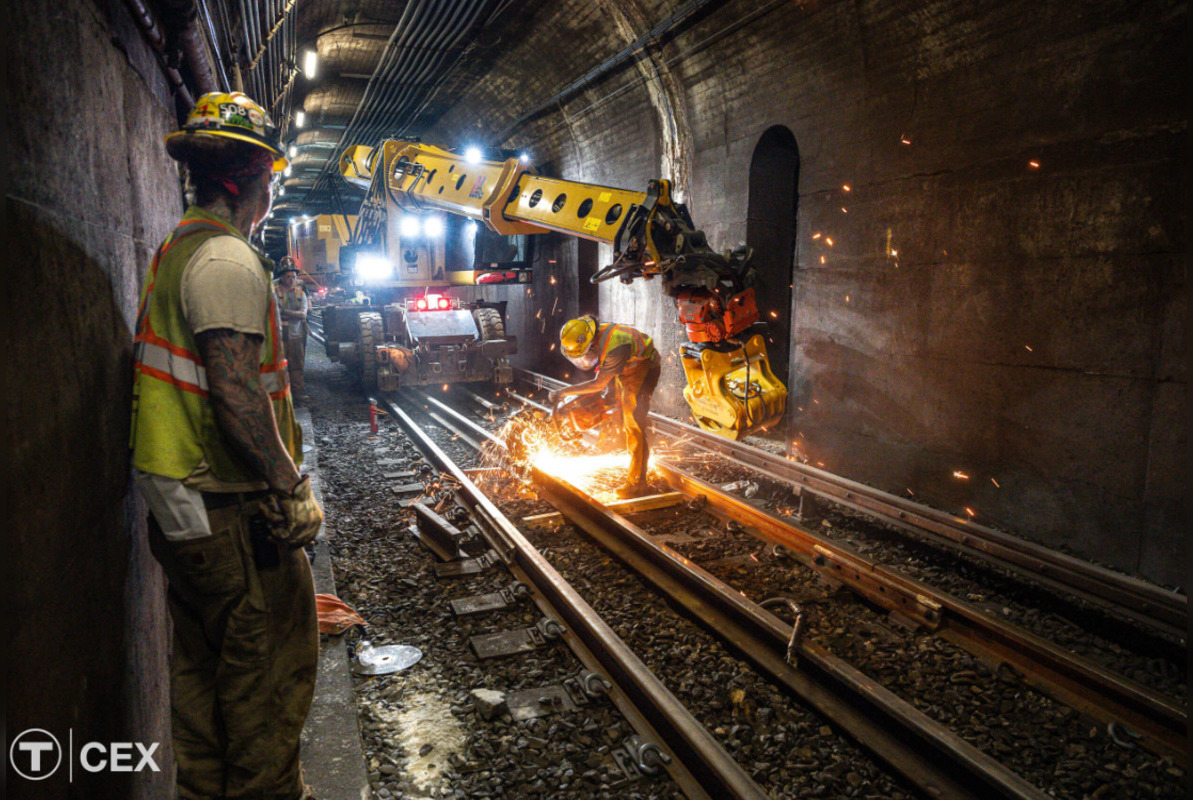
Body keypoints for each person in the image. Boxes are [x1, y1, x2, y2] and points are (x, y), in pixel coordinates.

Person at [129, 91, 322, 800]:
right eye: (269, 174)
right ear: (258, 180)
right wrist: (290, 488)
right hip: (229, 509)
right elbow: (238, 396)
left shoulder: (179, 250)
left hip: (183, 502)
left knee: (206, 681)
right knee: (266, 684)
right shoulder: (227, 261)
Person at [551, 316, 662, 498]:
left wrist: (563, 392)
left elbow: (598, 384)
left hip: (644, 367)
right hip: (625, 367)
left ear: (592, 344)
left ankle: (637, 483)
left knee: (633, 421)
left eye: (585, 353)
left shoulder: (615, 347)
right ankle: (612, 447)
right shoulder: (593, 334)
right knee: (612, 406)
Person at [274, 257, 310, 398]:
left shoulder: (300, 294)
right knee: (281, 367)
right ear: (282, 277)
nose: (291, 279)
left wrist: (284, 312)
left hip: (296, 336)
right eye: (288, 276)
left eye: (293, 276)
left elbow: (302, 315)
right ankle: (283, 395)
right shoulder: (274, 292)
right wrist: (292, 314)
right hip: (279, 337)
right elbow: (271, 312)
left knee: (297, 366)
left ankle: (298, 394)